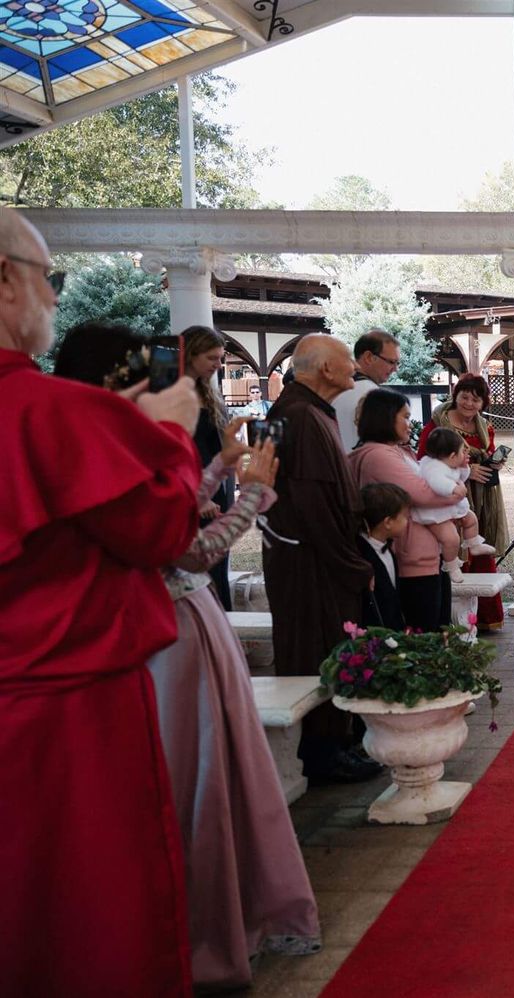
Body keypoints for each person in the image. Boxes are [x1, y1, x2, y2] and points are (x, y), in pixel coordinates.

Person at [54, 325, 321, 989]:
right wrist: (255, 491)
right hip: (169, 631)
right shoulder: (109, 442)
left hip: (180, 622)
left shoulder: (88, 440)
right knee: (193, 782)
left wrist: (219, 469)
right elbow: (188, 548)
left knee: (204, 777)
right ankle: (201, 932)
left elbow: (172, 514)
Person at [0, 208, 201, 996]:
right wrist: (171, 435)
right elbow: (160, 528)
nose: (52, 296)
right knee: (90, 916)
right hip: (64, 712)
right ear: (7, 280)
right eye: (47, 277)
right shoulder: (50, 412)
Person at [262, 333, 378, 784]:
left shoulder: (311, 411)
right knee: (316, 650)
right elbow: (313, 506)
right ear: (325, 369)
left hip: (323, 559)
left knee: (332, 646)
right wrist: (352, 565)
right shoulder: (300, 415)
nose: (354, 367)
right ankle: (322, 753)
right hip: (311, 564)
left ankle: (336, 742)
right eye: (347, 360)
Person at [350, 388, 461, 630]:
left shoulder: (396, 451)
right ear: (385, 417)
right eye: (405, 417)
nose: (410, 424)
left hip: (426, 554)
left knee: (437, 625)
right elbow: (422, 493)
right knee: (424, 629)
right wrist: (456, 494)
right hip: (412, 557)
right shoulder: (378, 455)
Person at [419, 373, 507, 631]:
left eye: (476, 399)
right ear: (455, 396)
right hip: (450, 493)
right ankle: (454, 621)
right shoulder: (438, 424)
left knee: (480, 545)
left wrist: (493, 463)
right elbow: (425, 460)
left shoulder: (484, 426)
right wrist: (467, 473)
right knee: (453, 546)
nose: (469, 403)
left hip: (484, 496)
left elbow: (487, 453)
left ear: (483, 402)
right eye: (465, 397)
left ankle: (486, 618)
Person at [182, 325, 236, 611]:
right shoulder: (174, 395)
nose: (219, 365)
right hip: (197, 498)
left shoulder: (209, 393)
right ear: (191, 355)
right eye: (212, 358)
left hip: (219, 495)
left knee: (217, 571)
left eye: (220, 358)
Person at [415, 426, 497, 582]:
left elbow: (462, 476)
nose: (465, 455)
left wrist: (464, 466)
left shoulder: (449, 463)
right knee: (451, 538)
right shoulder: (433, 467)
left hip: (450, 507)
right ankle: (452, 565)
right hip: (435, 514)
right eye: (462, 452)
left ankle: (474, 544)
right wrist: (453, 488)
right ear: (452, 456)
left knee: (471, 519)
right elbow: (437, 482)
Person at [332, 329, 401, 453]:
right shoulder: (375, 397)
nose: (395, 369)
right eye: (391, 362)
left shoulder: (332, 391)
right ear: (369, 357)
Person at [358, 482, 410, 630]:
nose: (408, 521)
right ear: (388, 522)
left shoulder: (387, 549)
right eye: (404, 516)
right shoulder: (362, 553)